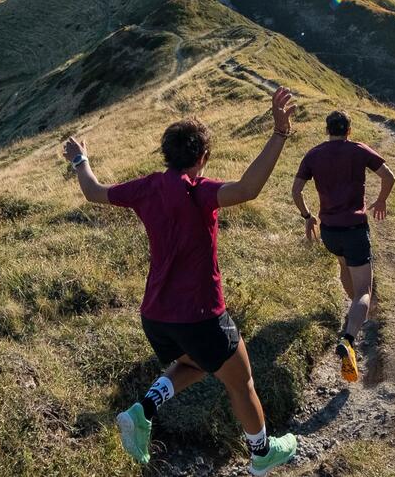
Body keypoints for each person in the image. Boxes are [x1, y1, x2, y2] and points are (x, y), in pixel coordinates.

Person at [62, 87, 299, 476]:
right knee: (242, 382)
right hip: (202, 313)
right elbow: (249, 189)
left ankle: (143, 411)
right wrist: (279, 134)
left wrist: (79, 158)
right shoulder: (198, 191)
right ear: (203, 157)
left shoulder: (146, 187)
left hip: (156, 316)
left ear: (167, 155)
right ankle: (261, 454)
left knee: (196, 363)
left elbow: (93, 191)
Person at [290, 110, 394, 383]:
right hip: (355, 230)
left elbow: (296, 190)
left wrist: (307, 216)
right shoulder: (358, 150)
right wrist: (381, 201)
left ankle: (353, 315)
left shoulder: (313, 154)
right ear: (349, 129)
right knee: (364, 290)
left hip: (329, 231)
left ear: (327, 129)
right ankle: (348, 339)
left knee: (343, 265)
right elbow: (389, 176)